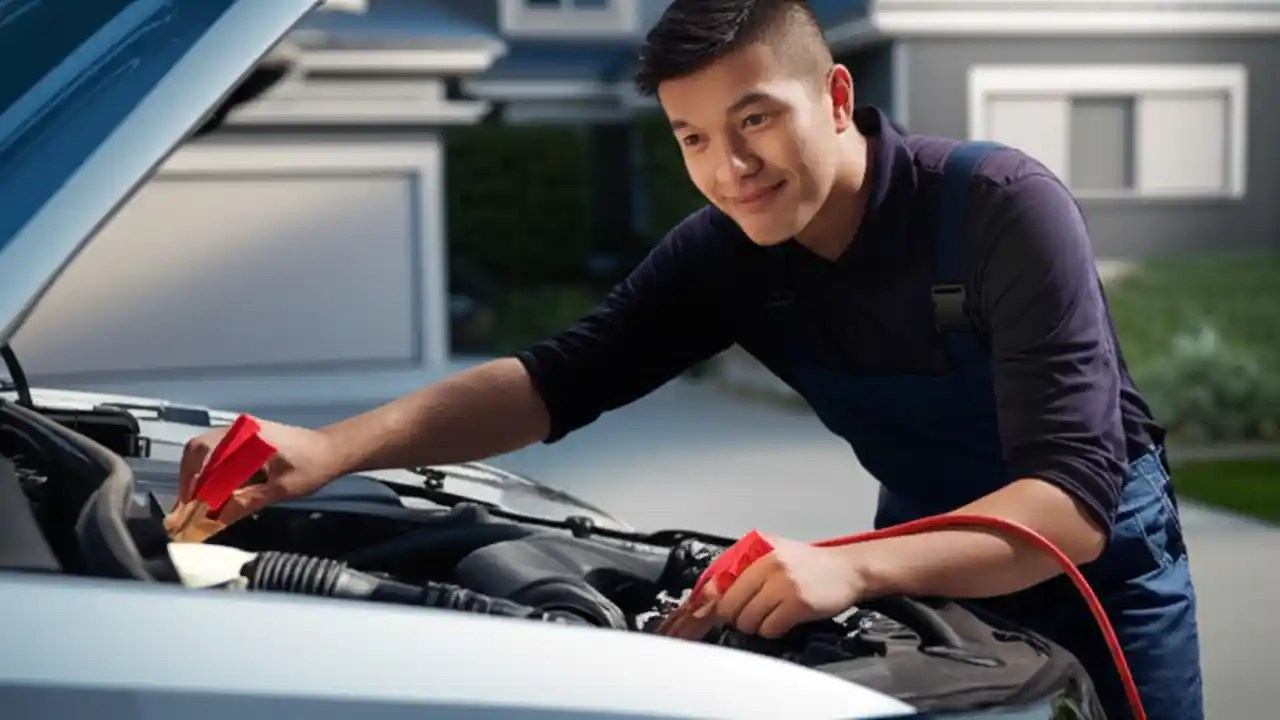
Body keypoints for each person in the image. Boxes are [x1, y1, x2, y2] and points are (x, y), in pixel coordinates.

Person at [175, 1, 1202, 717]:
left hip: (1099, 578)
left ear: (835, 96)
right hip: (921, 564)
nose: (730, 169)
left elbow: (1066, 503)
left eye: (755, 120)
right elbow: (556, 379)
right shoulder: (723, 255)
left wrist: (841, 563)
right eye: (692, 138)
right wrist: (331, 449)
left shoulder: (995, 208)